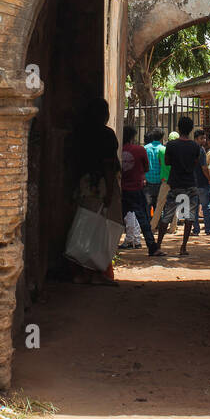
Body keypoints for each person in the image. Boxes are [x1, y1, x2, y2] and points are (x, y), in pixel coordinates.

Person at [71, 97, 122, 285]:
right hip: (100, 185)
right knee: (101, 229)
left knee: (84, 227)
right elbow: (108, 165)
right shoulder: (106, 135)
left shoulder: (80, 133)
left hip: (84, 184)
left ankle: (82, 272)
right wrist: (109, 191)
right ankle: (97, 273)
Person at [157, 118, 201, 255]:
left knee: (167, 215)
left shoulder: (171, 145)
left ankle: (158, 246)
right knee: (190, 216)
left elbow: (167, 161)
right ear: (191, 129)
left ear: (179, 127)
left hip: (175, 184)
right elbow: (195, 163)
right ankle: (183, 247)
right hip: (190, 183)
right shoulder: (195, 146)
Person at [121, 125, 163, 257]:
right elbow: (146, 168)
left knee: (115, 219)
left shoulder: (118, 150)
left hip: (122, 190)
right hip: (137, 189)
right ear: (133, 137)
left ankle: (106, 246)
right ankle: (152, 247)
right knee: (144, 220)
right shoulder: (139, 150)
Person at [192, 128, 210, 235]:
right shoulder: (201, 150)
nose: (204, 140)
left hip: (192, 183)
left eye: (204, 138)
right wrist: (209, 179)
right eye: (201, 138)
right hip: (202, 182)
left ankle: (196, 230)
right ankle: (208, 229)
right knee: (206, 207)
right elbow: (204, 167)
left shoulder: (190, 149)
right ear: (196, 139)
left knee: (194, 209)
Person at [144, 130, 165, 219]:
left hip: (147, 180)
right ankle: (157, 224)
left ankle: (148, 225)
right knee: (159, 205)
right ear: (162, 138)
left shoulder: (145, 148)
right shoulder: (163, 149)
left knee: (147, 205)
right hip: (160, 180)